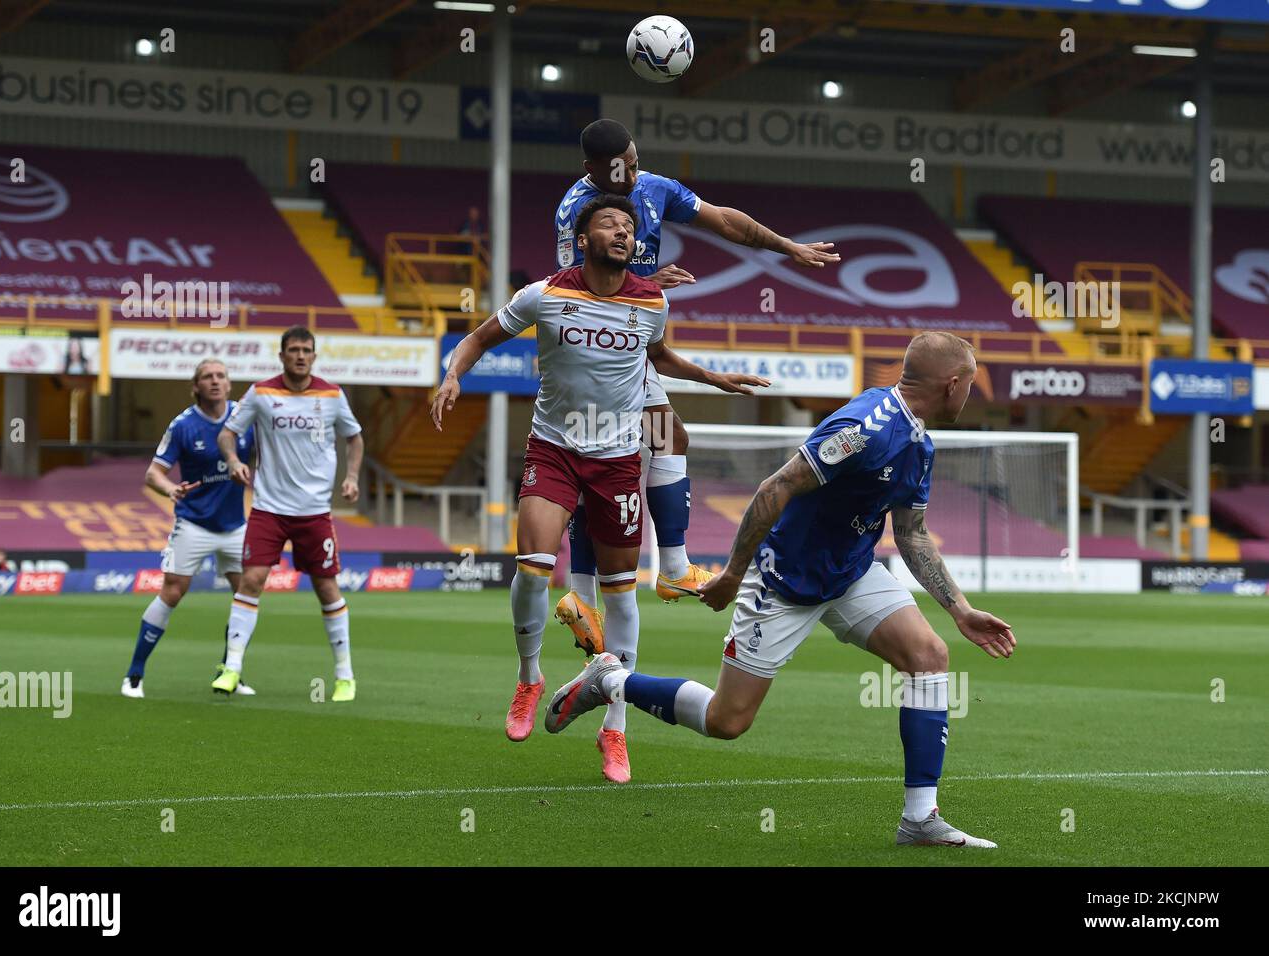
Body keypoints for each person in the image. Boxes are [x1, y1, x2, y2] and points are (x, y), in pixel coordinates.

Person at [545, 331, 1016, 847]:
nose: (970, 394)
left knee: (929, 656)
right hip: (784, 581)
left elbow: (911, 533)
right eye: (970, 384)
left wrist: (960, 609)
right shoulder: (863, 429)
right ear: (952, 385)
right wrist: (731, 573)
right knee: (726, 721)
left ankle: (919, 819)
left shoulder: (918, 444)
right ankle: (610, 680)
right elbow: (777, 487)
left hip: (852, 572)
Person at [433, 195, 767, 783]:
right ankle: (530, 677)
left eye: (629, 226)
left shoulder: (652, 301)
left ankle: (614, 725)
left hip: (615, 461)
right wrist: (451, 376)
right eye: (609, 223)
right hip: (554, 449)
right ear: (581, 239)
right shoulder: (544, 296)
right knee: (533, 565)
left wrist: (715, 378)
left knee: (621, 595)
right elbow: (478, 338)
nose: (622, 230)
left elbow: (657, 357)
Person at [552, 117, 841, 655]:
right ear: (591, 170)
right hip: (591, 353)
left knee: (664, 440)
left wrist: (787, 247)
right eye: (622, 169)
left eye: (636, 163)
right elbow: (575, 293)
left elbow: (726, 222)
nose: (633, 175)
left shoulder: (655, 189)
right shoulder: (575, 211)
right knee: (606, 460)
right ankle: (606, 586)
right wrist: (643, 283)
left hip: (632, 351)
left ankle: (631, 581)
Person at [213, 326, 364, 702]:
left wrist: (352, 477)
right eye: (293, 350)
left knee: (326, 586)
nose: (300, 355)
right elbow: (228, 433)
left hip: (314, 511)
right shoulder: (262, 392)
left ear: (314, 356)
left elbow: (354, 437)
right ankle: (231, 668)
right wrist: (232, 461)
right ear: (281, 356)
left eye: (306, 350)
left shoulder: (331, 395)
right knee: (251, 580)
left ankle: (345, 676)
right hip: (269, 507)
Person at [121, 359, 255, 699]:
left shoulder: (245, 417)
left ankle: (231, 671)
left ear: (229, 384)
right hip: (193, 523)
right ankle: (134, 675)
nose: (215, 381)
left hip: (235, 525)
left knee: (247, 595)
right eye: (207, 377)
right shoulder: (183, 426)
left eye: (220, 376)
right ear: (195, 386)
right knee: (173, 593)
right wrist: (170, 489)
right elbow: (153, 473)